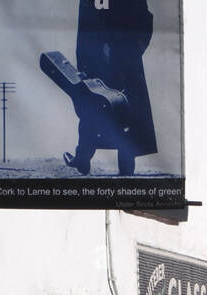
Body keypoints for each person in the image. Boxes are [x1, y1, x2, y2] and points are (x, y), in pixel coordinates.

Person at [64, 0, 157, 176]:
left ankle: (96, 159)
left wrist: (127, 50)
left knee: (116, 109)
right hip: (105, 60)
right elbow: (85, 26)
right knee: (96, 106)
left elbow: (144, 20)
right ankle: (84, 158)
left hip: (120, 61)